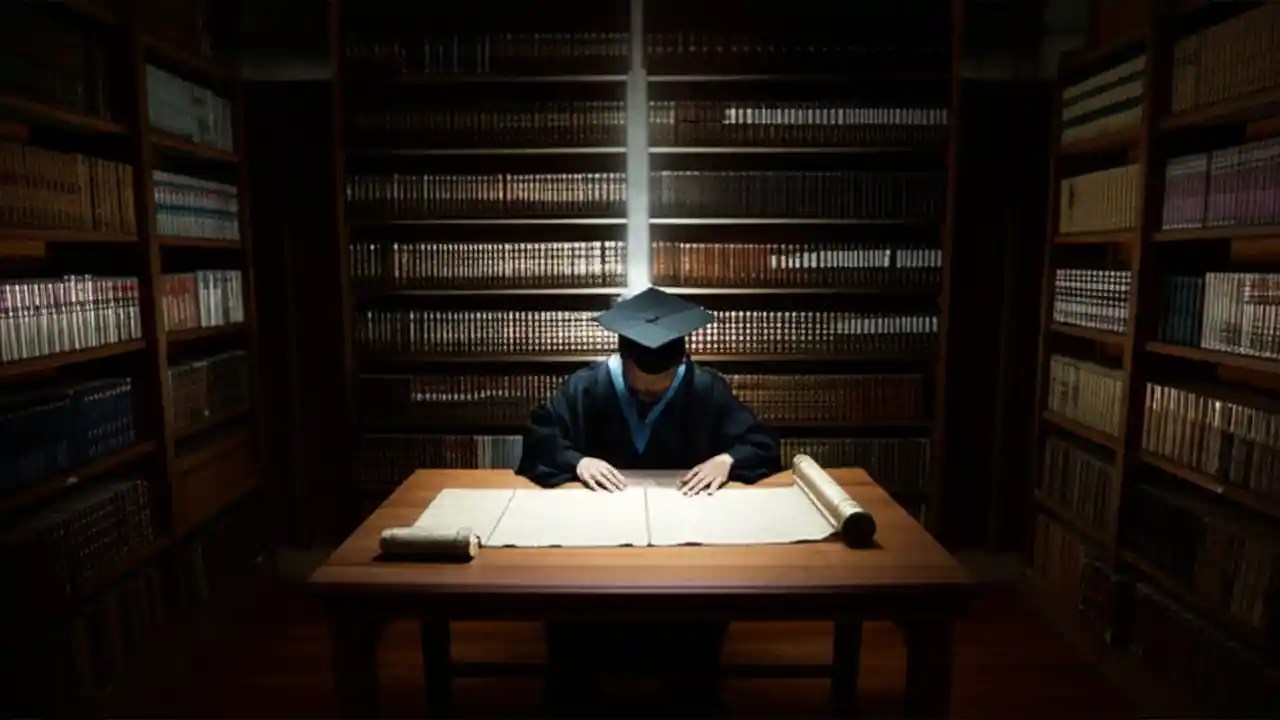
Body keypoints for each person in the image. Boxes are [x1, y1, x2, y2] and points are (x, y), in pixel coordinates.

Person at [515, 287, 782, 716]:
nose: (649, 398)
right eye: (640, 393)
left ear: (680, 364)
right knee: (572, 618)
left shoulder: (704, 389)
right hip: (597, 552)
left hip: (683, 552)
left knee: (697, 620)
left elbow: (762, 441)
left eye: (660, 392)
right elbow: (539, 440)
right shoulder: (586, 388)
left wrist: (728, 459)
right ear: (623, 361)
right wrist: (576, 461)